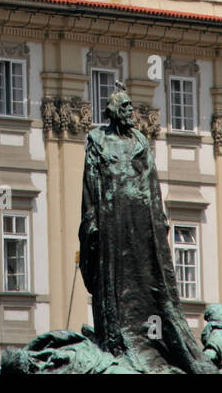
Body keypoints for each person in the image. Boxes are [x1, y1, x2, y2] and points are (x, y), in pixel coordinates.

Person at [79, 89, 215, 373]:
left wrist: (159, 218)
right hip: (111, 216)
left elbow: (151, 183)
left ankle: (151, 342)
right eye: (126, 106)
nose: (131, 111)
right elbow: (90, 183)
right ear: (114, 110)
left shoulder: (140, 140)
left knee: (146, 274)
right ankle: (116, 340)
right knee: (114, 278)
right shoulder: (98, 140)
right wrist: (91, 219)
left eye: (131, 106)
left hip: (141, 217)